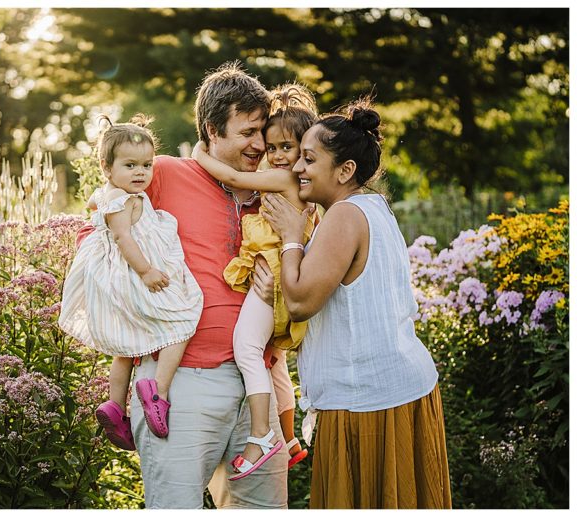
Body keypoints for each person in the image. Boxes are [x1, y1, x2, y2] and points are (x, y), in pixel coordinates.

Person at [261, 96, 452, 508]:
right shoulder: (374, 207)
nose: (296, 167)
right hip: (398, 390)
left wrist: (292, 235)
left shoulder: (345, 216)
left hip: (367, 404)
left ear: (345, 170)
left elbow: (300, 302)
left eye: (309, 159)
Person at [128, 61, 289, 508]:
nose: (261, 145)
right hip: (181, 385)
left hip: (259, 386)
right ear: (211, 130)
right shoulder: (162, 173)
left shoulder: (273, 189)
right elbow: (99, 232)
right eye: (248, 133)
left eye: (265, 132)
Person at [191, 83, 318, 478]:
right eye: (271, 145)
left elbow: (230, 175)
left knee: (247, 348)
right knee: (272, 359)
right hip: (275, 268)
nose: (274, 154)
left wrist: (197, 154)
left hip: (274, 274)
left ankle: (262, 434)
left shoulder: (284, 181)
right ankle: (287, 434)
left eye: (287, 148)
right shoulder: (293, 181)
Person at [58, 115, 203, 451]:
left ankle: (114, 404)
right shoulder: (125, 201)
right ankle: (158, 391)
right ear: (106, 167)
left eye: (147, 165)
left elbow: (95, 203)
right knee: (182, 320)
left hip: (115, 279)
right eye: (130, 165)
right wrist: (147, 271)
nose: (141, 173)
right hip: (133, 274)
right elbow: (123, 238)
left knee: (125, 347)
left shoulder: (108, 194)